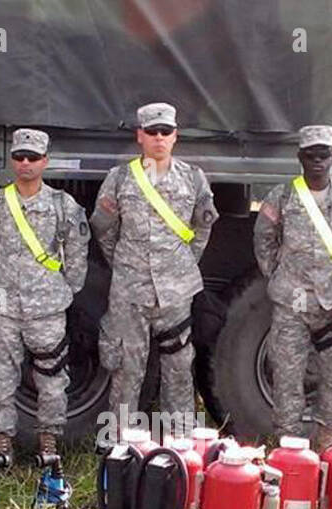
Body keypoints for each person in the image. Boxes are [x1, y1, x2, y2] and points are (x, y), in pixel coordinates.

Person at [90, 102, 217, 447]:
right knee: (126, 367)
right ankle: (118, 444)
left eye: (166, 132)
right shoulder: (120, 179)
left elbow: (202, 227)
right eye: (152, 132)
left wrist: (182, 263)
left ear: (175, 137)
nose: (159, 138)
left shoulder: (193, 179)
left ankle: (181, 445)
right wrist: (126, 265)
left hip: (176, 292)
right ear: (140, 137)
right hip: (129, 291)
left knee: (178, 368)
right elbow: (103, 228)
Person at [252, 125, 332, 450]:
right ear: (300, 157)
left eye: (324, 154)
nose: (317, 161)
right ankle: (287, 449)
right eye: (310, 155)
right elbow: (263, 238)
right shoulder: (283, 196)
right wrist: (277, 276)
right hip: (291, 303)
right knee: (287, 378)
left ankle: (327, 445)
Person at [0, 128, 89, 464]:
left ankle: (49, 443)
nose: (25, 163)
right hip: (4, 308)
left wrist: (66, 288)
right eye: (20, 157)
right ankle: (1, 445)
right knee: (0, 376)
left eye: (33, 158)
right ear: (12, 161)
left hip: (48, 308)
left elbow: (78, 249)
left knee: (52, 377)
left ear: (45, 161)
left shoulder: (61, 205)